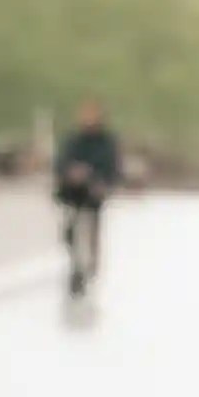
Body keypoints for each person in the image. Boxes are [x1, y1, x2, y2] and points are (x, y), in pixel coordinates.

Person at [55, 99, 121, 292]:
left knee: (91, 229)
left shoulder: (106, 142)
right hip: (73, 194)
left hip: (93, 195)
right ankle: (77, 264)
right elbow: (61, 163)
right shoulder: (74, 140)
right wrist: (70, 173)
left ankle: (88, 267)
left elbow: (112, 168)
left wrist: (101, 182)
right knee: (70, 232)